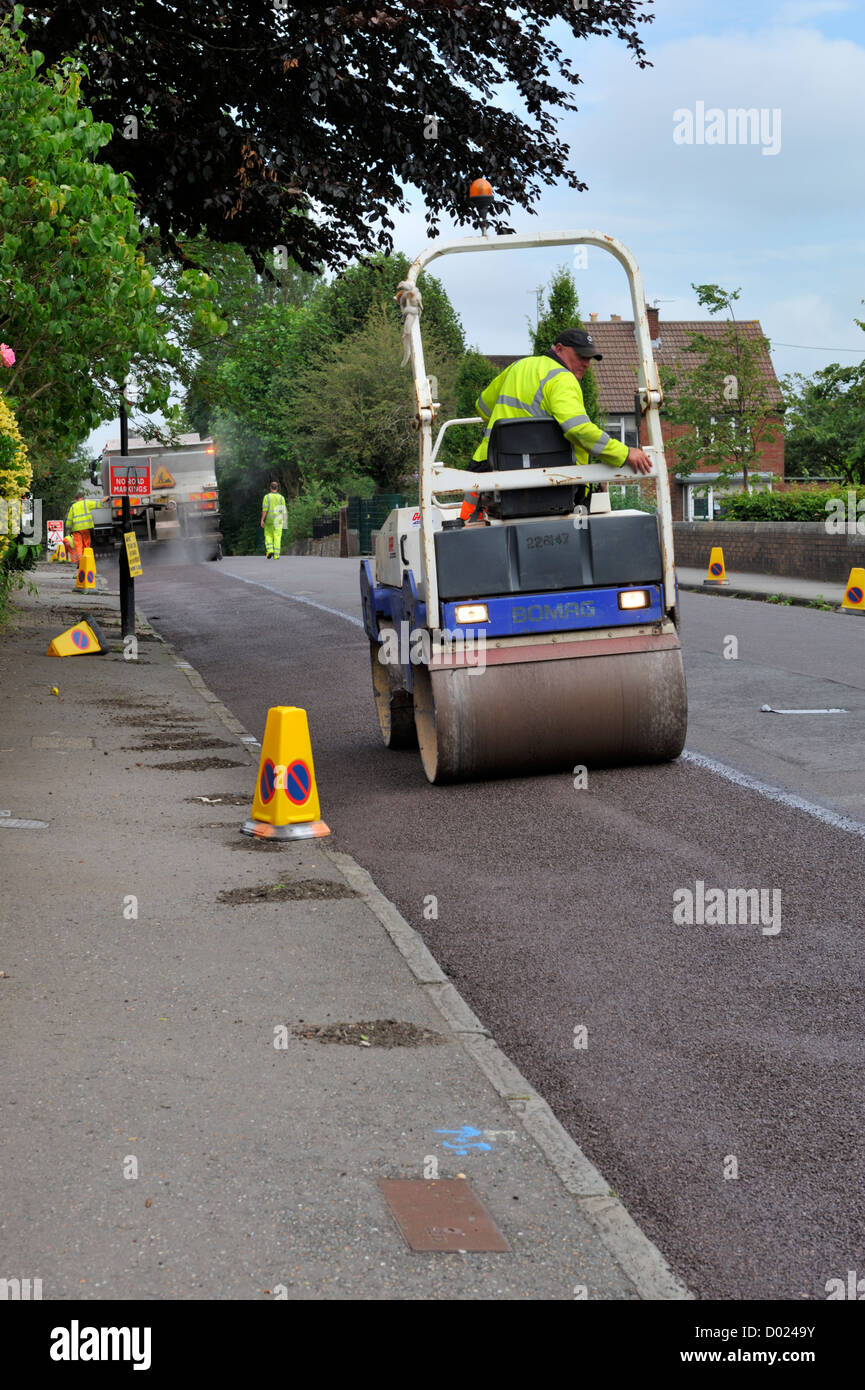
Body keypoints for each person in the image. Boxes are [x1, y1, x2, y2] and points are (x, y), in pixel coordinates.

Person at [460, 328, 654, 524]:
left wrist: (512, 428)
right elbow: (578, 429)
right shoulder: (563, 378)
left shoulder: (518, 366)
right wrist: (624, 453)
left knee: (467, 534)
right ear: (559, 348)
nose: (586, 364)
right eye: (580, 356)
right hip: (546, 484)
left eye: (589, 358)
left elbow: (482, 407)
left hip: (487, 470)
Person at [64, 490, 97, 564]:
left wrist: (68, 528)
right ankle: (87, 561)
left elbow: (69, 519)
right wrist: (106, 498)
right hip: (86, 528)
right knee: (86, 544)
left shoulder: (73, 506)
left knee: (78, 546)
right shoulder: (86, 503)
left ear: (76, 499)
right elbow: (98, 504)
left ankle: (80, 562)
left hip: (76, 530)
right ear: (82, 497)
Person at [260, 481, 287, 558]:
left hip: (269, 521)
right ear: (277, 488)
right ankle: (277, 555)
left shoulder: (267, 497)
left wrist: (262, 520)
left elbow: (265, 510)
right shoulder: (282, 498)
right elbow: (284, 511)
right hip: (278, 521)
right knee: (277, 537)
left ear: (270, 488)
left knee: (268, 535)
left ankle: (270, 550)